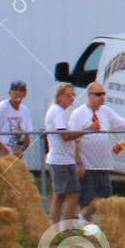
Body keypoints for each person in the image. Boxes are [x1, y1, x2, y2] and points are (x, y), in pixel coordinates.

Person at [67, 82, 125, 221]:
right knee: (87, 199)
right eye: (98, 94)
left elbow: (121, 123)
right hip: (87, 164)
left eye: (103, 94)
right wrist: (78, 162)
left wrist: (121, 145)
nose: (102, 97)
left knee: (105, 198)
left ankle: (83, 220)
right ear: (89, 95)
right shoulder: (78, 114)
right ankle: (84, 226)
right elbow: (72, 139)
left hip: (103, 164)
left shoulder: (106, 111)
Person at [44, 83, 79, 225]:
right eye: (68, 95)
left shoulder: (60, 111)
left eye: (73, 95)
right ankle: (65, 226)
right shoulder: (58, 111)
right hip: (61, 160)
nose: (71, 98)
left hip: (64, 159)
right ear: (59, 96)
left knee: (60, 195)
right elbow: (65, 136)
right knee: (73, 193)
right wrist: (86, 130)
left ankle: (57, 227)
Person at [0, 80, 33, 159]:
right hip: (0, 156)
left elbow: (27, 136)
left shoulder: (25, 110)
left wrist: (22, 149)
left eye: (21, 90)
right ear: (10, 92)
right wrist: (2, 149)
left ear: (25, 94)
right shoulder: (1, 108)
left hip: (16, 157)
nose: (18, 93)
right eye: (15, 90)